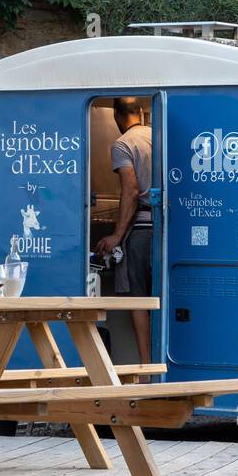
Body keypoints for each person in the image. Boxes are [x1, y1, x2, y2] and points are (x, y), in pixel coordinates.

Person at [95, 97, 154, 364]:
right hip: (167, 228)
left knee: (139, 299)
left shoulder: (123, 144)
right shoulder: (159, 136)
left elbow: (130, 189)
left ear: (117, 116)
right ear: (141, 112)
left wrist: (117, 235)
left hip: (142, 229)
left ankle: (146, 367)